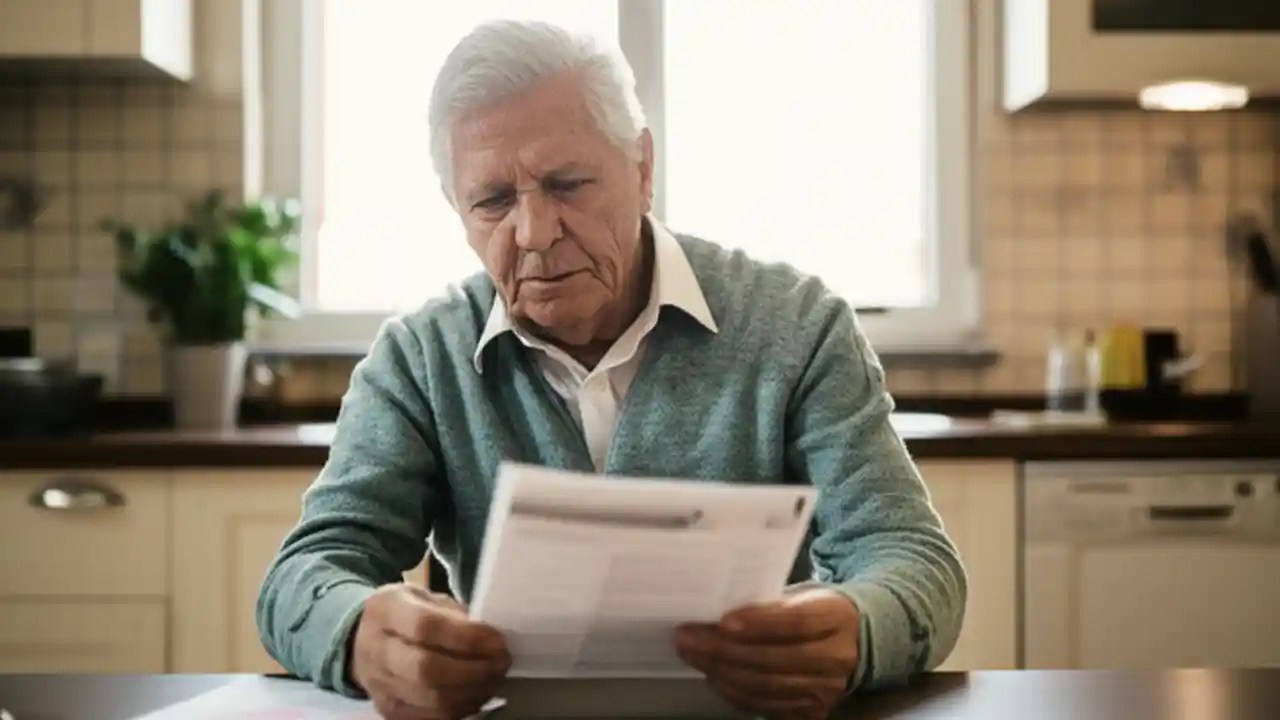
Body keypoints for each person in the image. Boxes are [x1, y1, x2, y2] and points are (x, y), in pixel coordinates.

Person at [257, 18, 965, 720]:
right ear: (457, 208)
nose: (535, 233)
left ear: (643, 168)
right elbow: (303, 575)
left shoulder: (796, 326)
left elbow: (910, 558)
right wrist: (359, 634)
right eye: (493, 202)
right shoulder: (419, 359)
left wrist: (857, 629)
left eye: (567, 184)